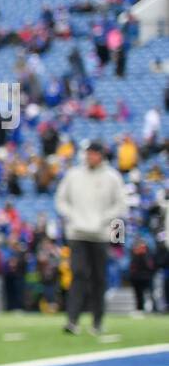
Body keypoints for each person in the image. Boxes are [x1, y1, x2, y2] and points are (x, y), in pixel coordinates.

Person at [55, 141, 127, 335]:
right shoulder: (74, 175)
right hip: (77, 233)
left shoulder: (112, 177)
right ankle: (72, 320)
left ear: (101, 155)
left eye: (94, 153)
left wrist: (105, 221)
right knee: (77, 275)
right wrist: (72, 216)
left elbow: (121, 204)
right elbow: (61, 199)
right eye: (89, 153)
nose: (91, 157)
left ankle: (97, 321)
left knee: (99, 278)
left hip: (100, 235)